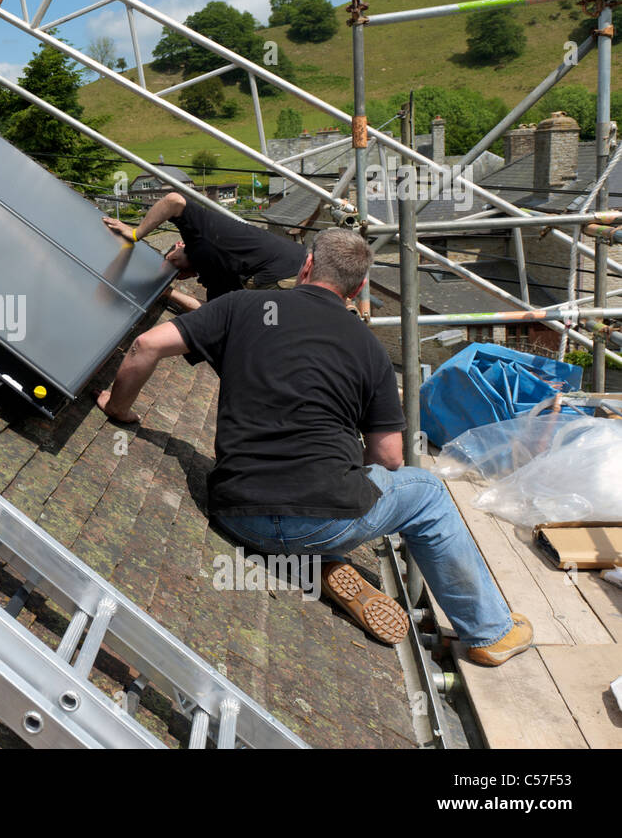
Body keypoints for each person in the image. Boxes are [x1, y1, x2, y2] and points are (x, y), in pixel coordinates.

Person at [94, 228, 532, 666]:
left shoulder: (243, 306)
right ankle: (489, 633)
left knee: (306, 513)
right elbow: (390, 458)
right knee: (429, 495)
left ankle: (309, 560)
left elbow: (145, 345)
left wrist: (118, 407)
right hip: (322, 520)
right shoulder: (369, 348)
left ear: (306, 265)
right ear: (358, 288)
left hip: (238, 513)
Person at [103, 190, 306, 313]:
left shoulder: (200, 234)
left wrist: (136, 234)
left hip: (287, 274)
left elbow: (173, 200)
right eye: (177, 274)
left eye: (171, 262)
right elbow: (209, 309)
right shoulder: (215, 276)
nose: (178, 272)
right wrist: (168, 293)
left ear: (179, 246)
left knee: (263, 327)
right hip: (297, 270)